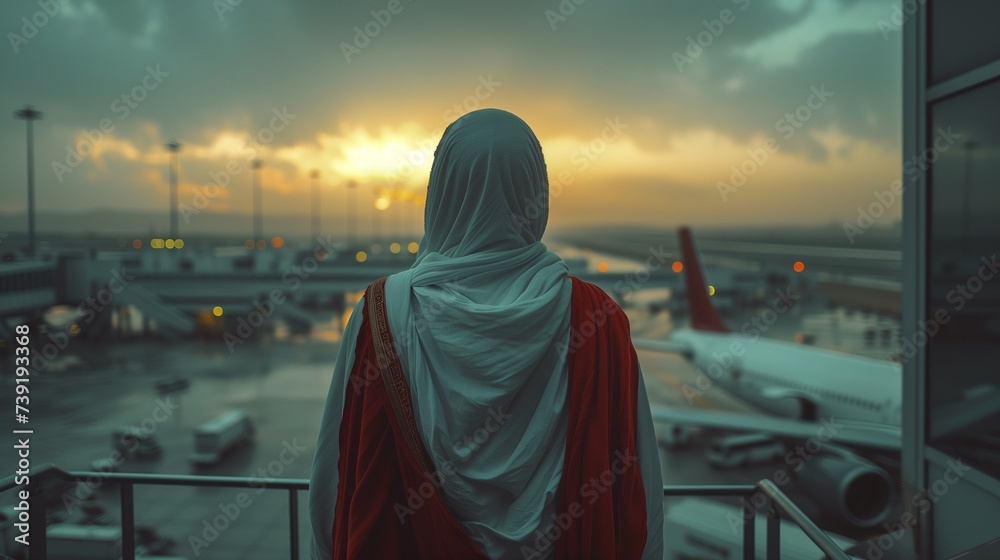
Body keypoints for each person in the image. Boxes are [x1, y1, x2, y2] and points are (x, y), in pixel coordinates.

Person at [308, 108, 663, 559]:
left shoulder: (382, 313)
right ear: (536, 190)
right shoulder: (598, 319)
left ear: (441, 190)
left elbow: (335, 477)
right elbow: (639, 486)